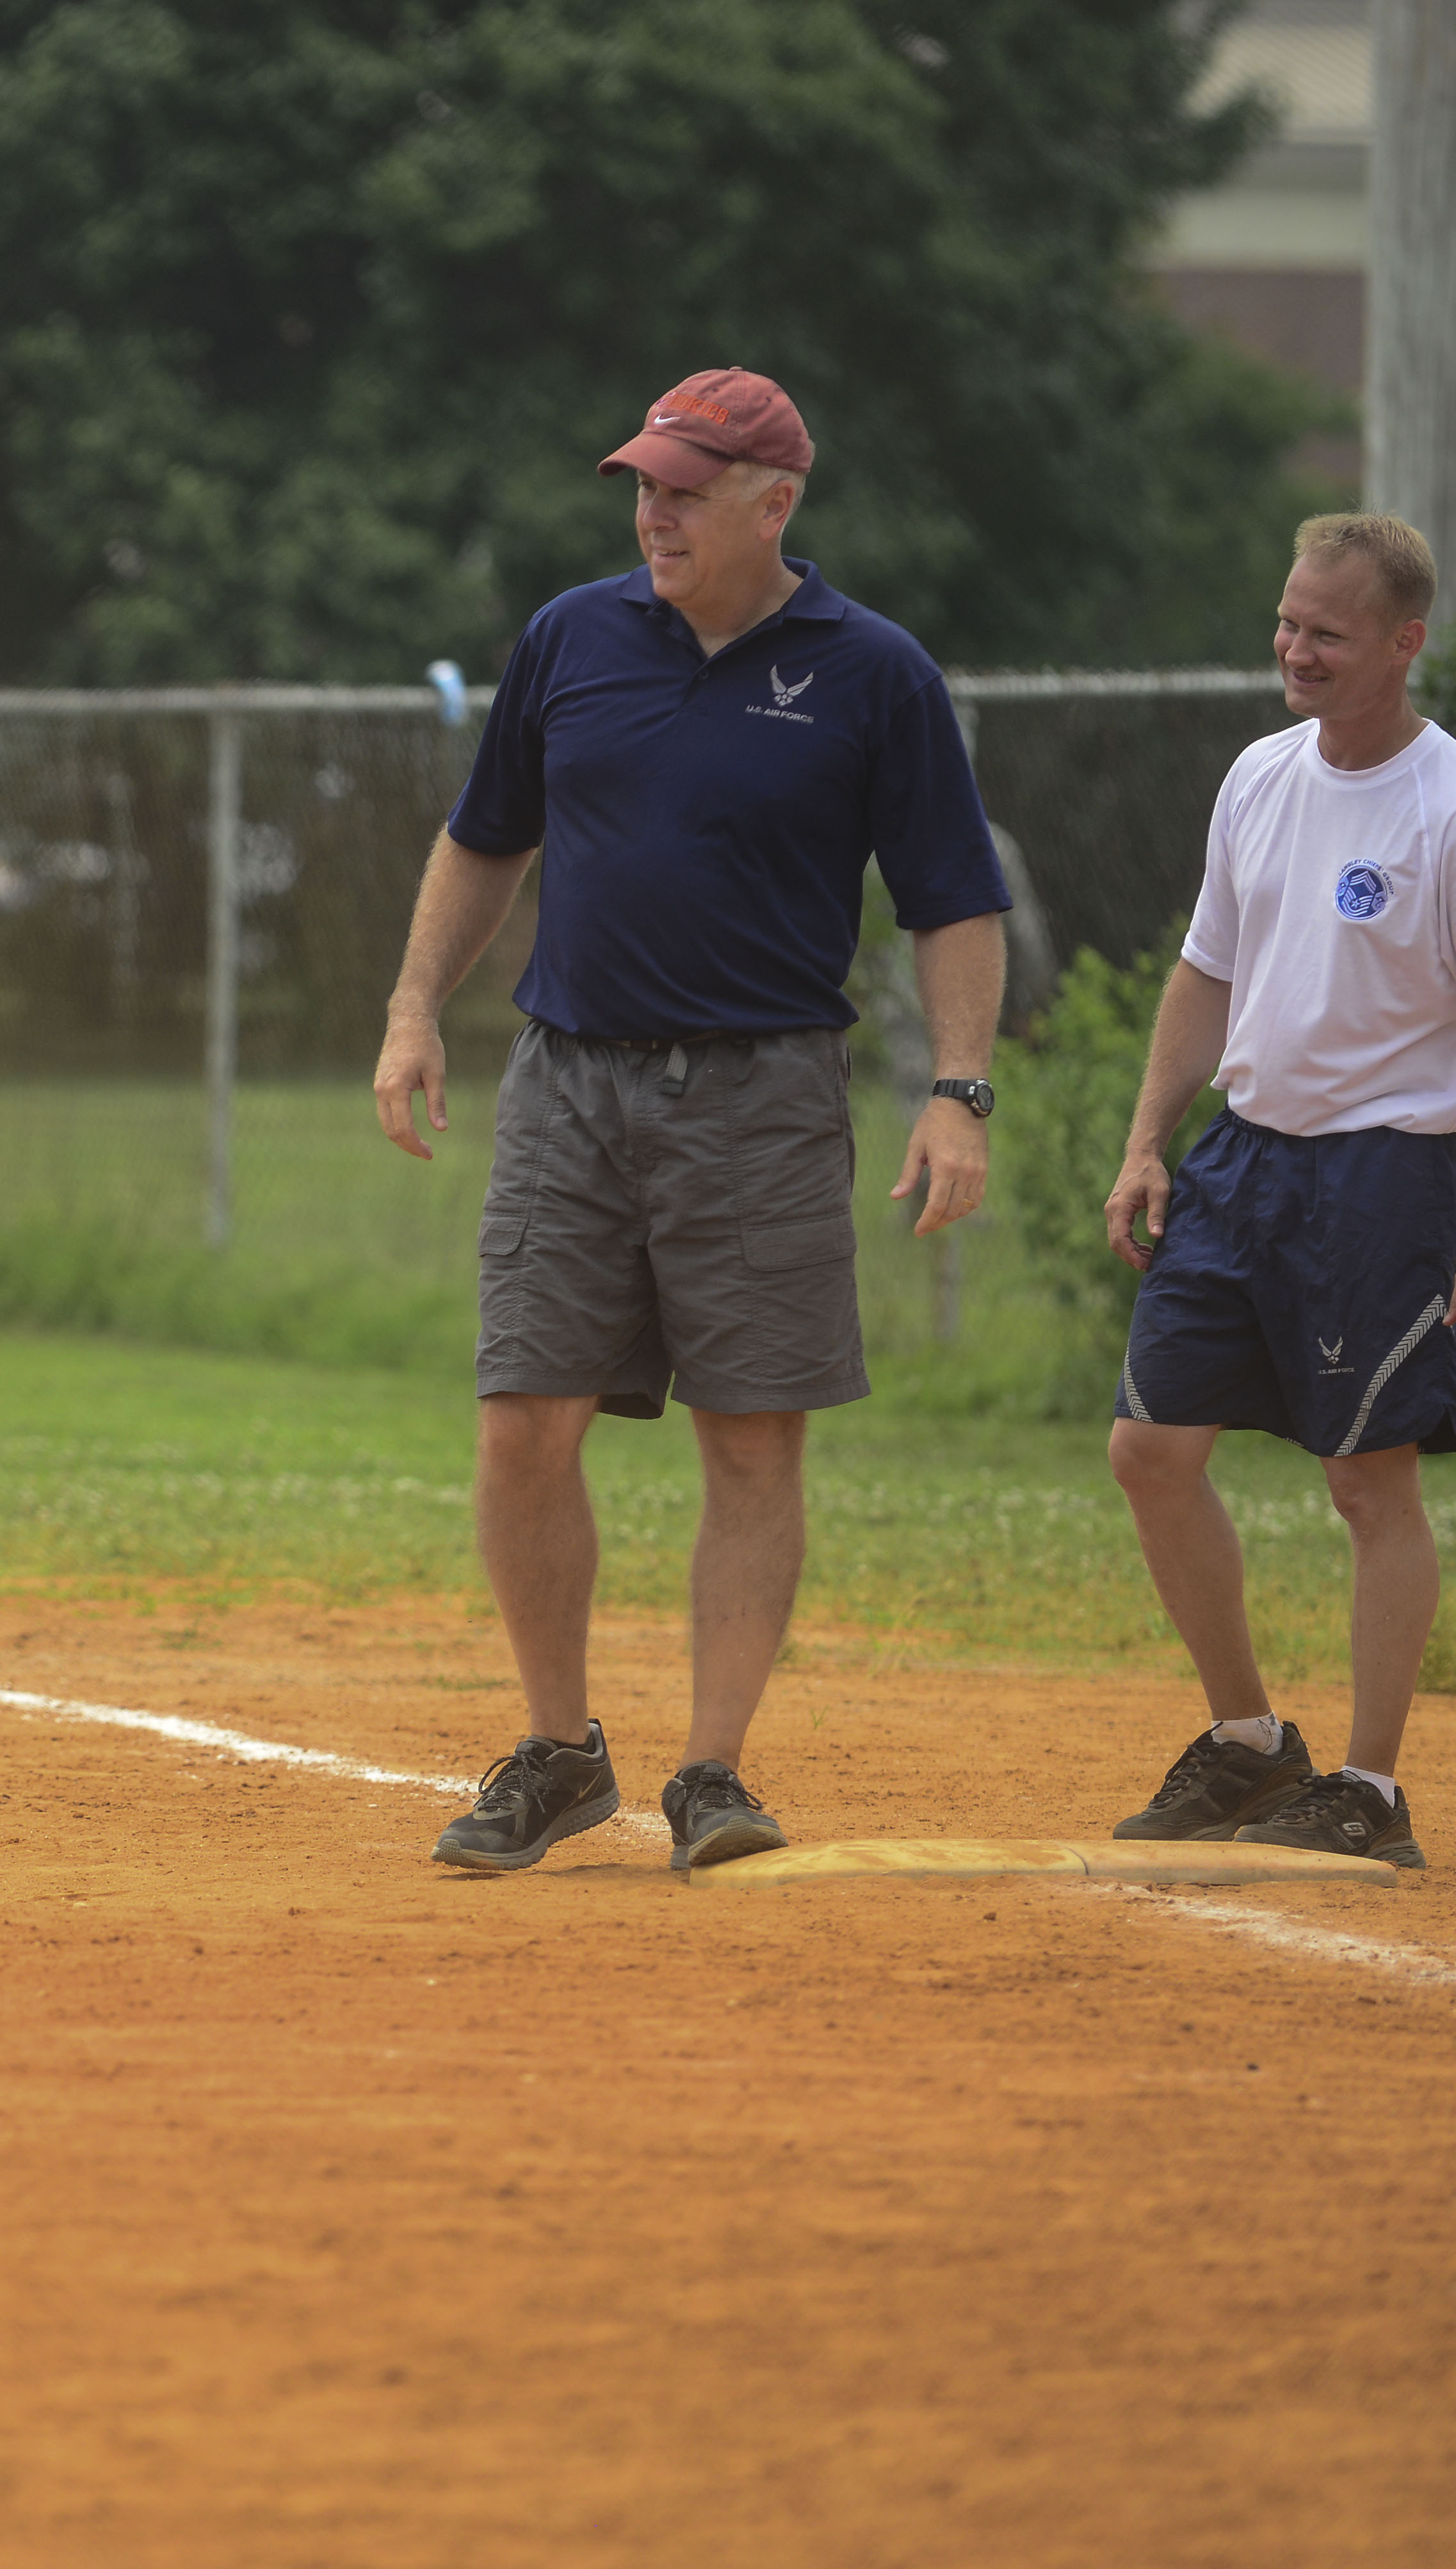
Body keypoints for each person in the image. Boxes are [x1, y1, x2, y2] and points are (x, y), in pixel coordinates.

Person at [371, 368, 1010, 1874]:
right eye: (643, 487)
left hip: (762, 1090)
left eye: (683, 489)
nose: (653, 512)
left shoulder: (872, 672)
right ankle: (555, 1748)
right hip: (569, 1078)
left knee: (749, 1441)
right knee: (523, 1417)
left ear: (770, 504)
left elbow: (951, 901)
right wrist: (411, 1007)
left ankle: (710, 1770)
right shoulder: (570, 638)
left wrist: (958, 1093)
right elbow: (484, 842)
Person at [1098, 514, 1456, 1870]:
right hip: (1244, 1159)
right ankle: (1250, 1741)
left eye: (1328, 632)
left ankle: (1369, 1784)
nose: (1295, 649)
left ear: (1403, 644)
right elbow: (1206, 969)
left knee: (1368, 1483)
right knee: (1150, 1449)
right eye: (1289, 621)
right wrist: (1147, 1140)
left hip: (1387, 1176)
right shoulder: (1260, 775)